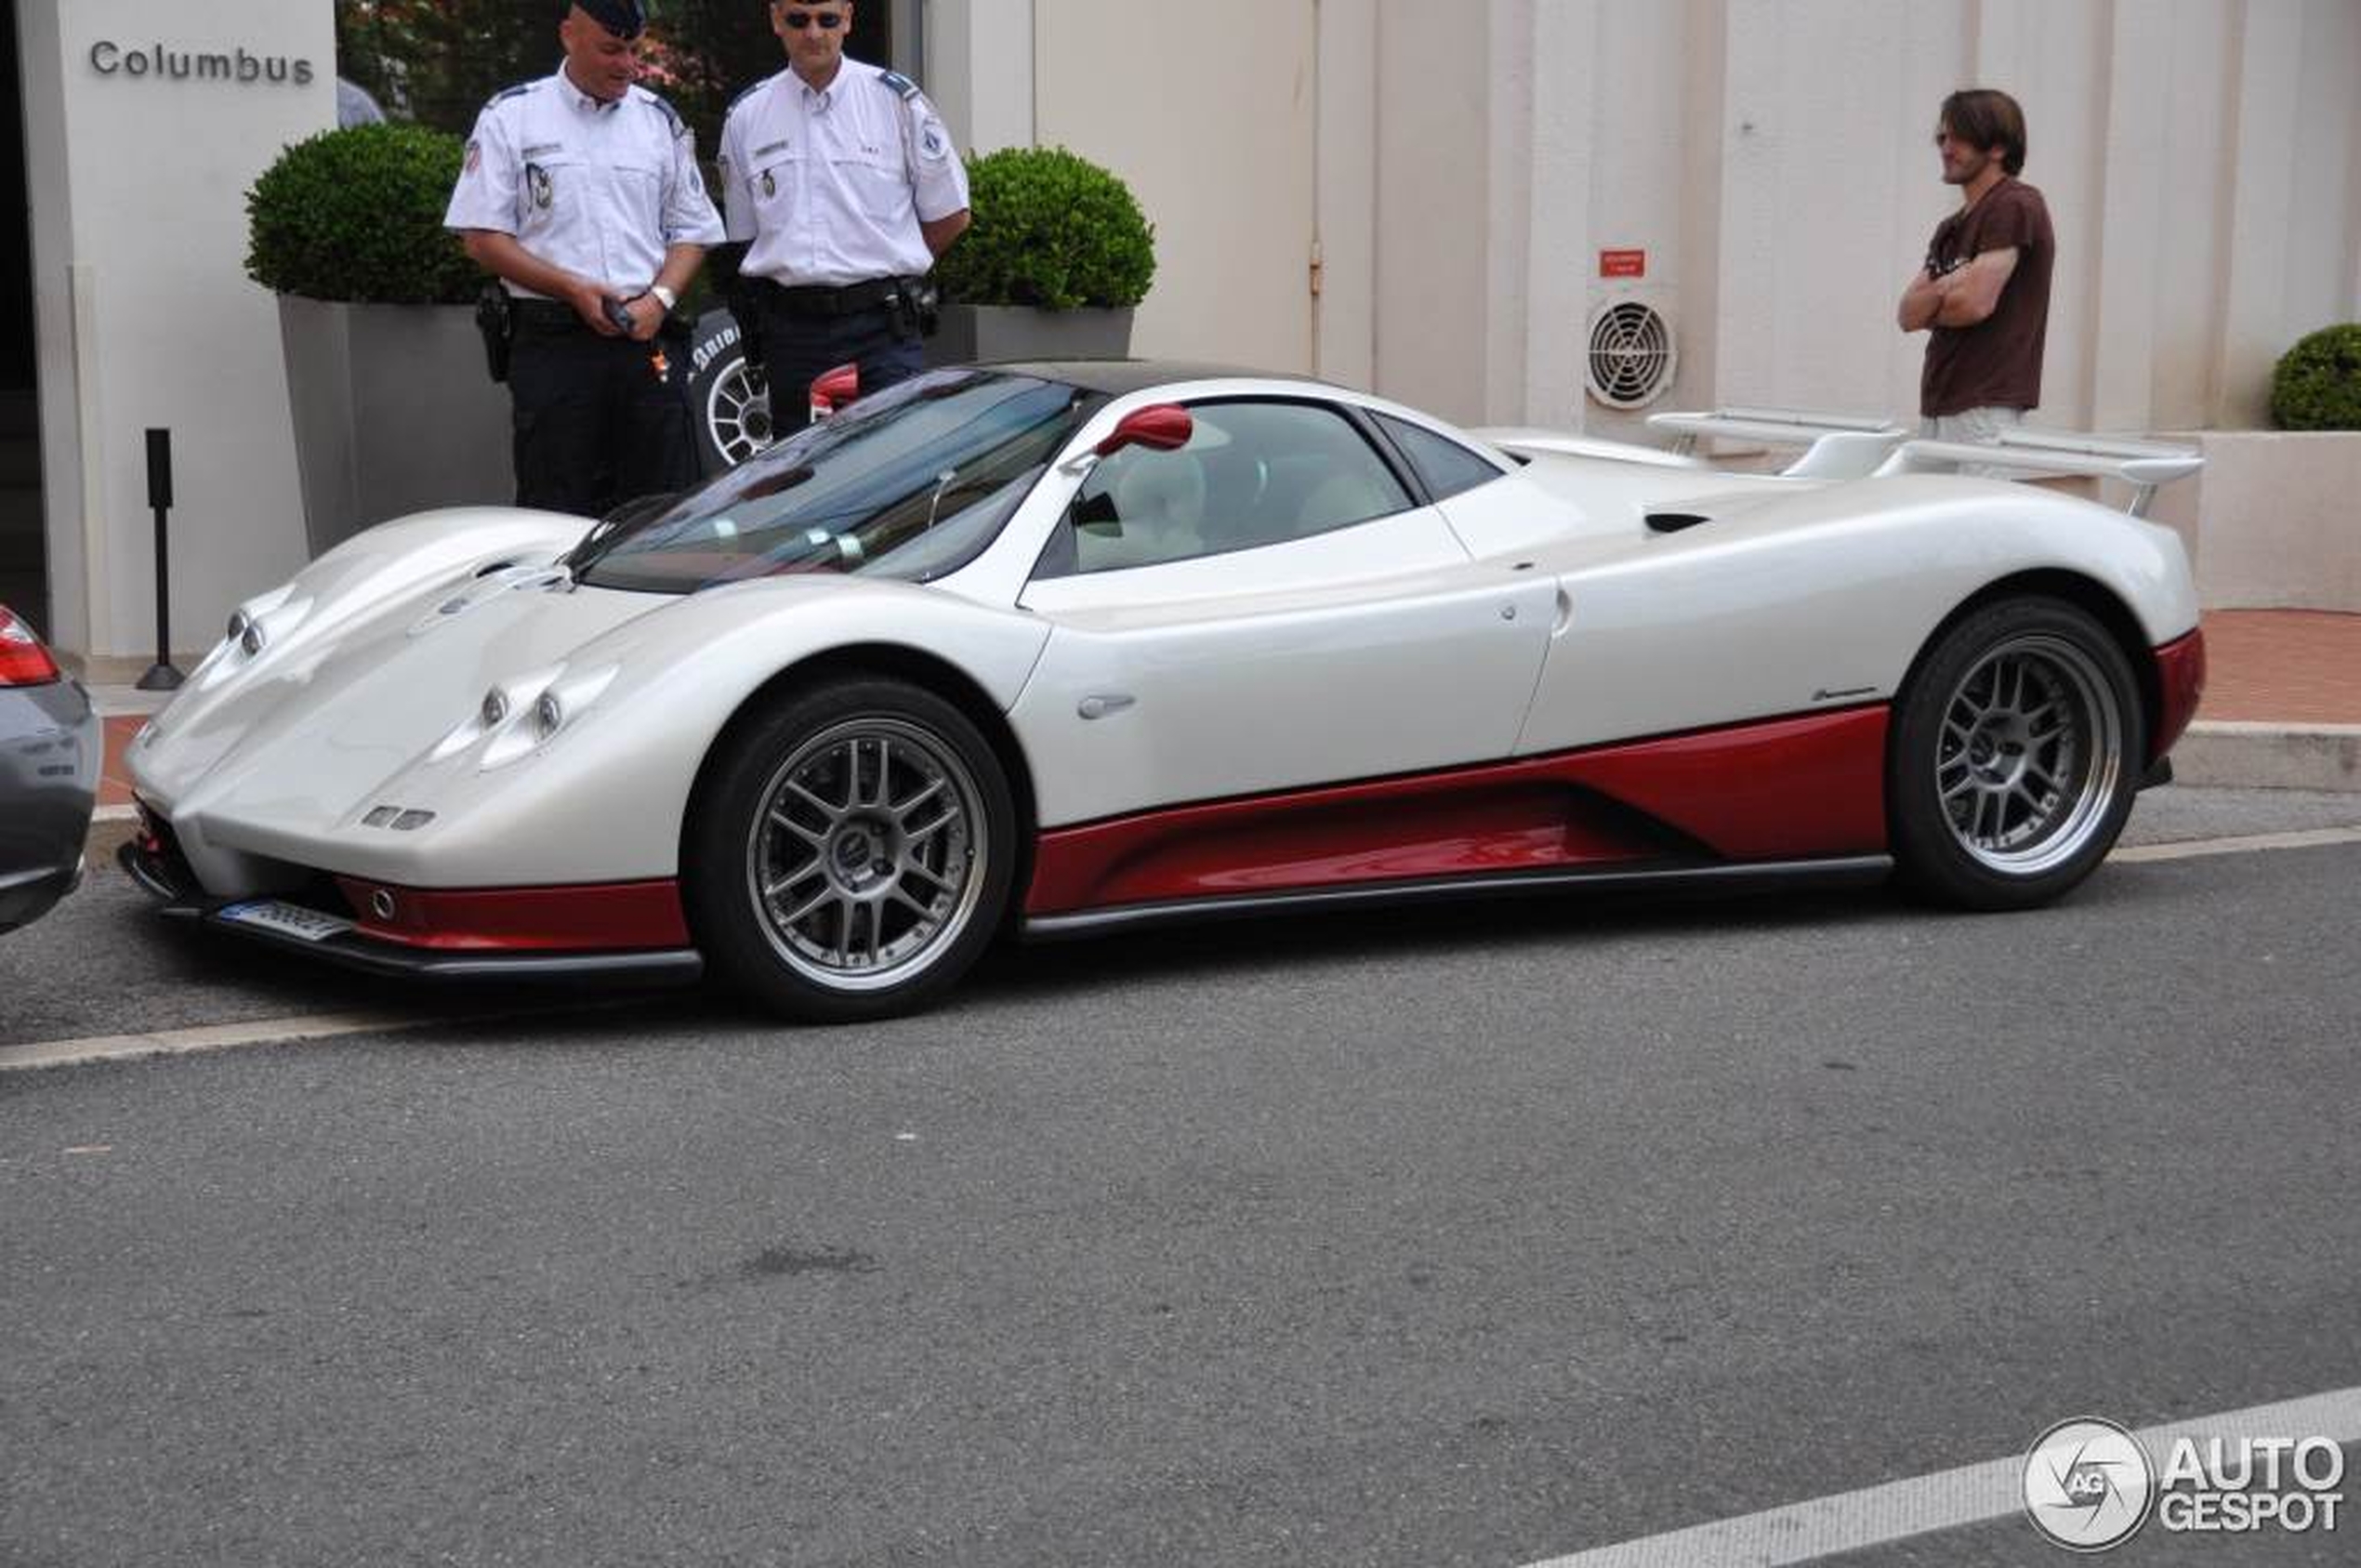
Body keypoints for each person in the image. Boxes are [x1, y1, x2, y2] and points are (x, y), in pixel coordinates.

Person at [444, 1, 724, 517]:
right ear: (569, 35)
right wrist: (572, 288)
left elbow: (694, 230)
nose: (626, 64)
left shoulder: (657, 121)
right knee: (556, 512)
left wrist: (660, 299)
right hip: (556, 346)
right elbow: (482, 237)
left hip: (645, 341)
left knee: (662, 515)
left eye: (634, 50)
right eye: (610, 49)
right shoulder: (513, 116)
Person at [718, 0, 970, 438]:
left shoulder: (897, 101)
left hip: (882, 326)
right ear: (776, 19)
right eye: (799, 19)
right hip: (793, 330)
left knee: (895, 462)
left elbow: (951, 215)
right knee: (799, 474)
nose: (813, 33)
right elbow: (745, 235)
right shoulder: (747, 116)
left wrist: (891, 260)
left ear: (848, 19)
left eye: (827, 19)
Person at [1896, 88, 2054, 461]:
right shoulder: (1951, 227)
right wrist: (1950, 286)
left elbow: (1974, 304)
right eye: (1943, 137)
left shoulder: (2014, 203)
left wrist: (1942, 292)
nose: (1946, 148)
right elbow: (1906, 314)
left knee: (1975, 520)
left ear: (1997, 148)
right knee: (1930, 517)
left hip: (1984, 408)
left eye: (1959, 137)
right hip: (1939, 403)